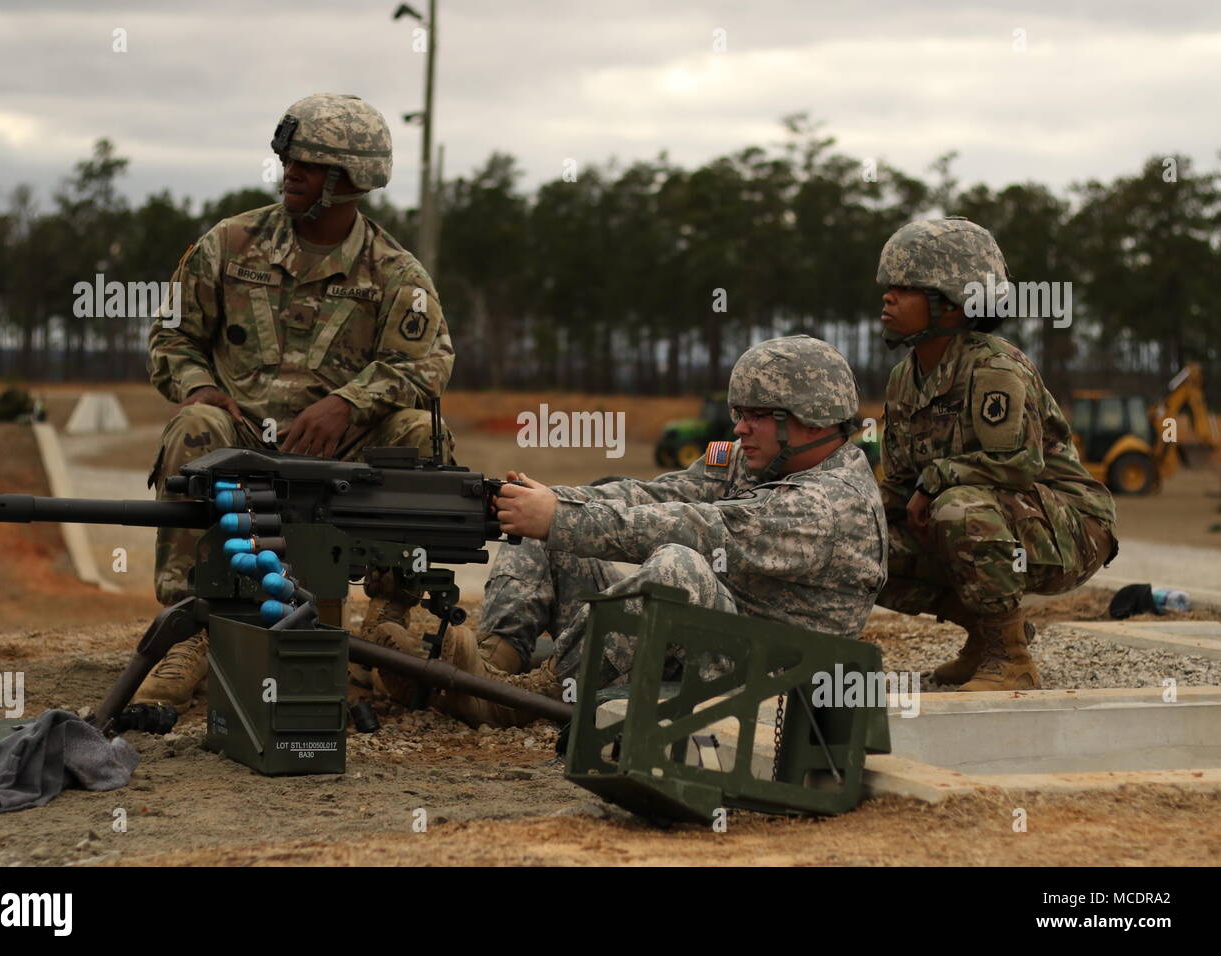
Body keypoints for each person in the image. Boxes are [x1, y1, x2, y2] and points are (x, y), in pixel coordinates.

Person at [368, 335, 889, 726]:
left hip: (767, 682)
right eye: (738, 413)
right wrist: (554, 504)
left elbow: (698, 528)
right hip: (709, 641)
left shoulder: (830, 504)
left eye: (756, 415)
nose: (738, 428)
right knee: (548, 531)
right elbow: (660, 496)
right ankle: (494, 663)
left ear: (814, 422)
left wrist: (562, 516)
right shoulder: (753, 461)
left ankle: (523, 700)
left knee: (677, 568)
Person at [136, 93, 455, 710]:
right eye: (289, 158)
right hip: (245, 437)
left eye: (309, 165)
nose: (290, 171)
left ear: (350, 180)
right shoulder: (229, 244)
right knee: (194, 425)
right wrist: (201, 387)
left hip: (343, 446)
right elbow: (172, 334)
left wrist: (350, 402)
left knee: (423, 434)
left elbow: (429, 363)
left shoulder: (396, 273)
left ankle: (388, 621)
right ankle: (189, 625)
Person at [874, 217, 1117, 691]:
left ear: (952, 305)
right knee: (864, 538)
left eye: (906, 287)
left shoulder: (993, 367)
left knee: (959, 509)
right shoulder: (905, 378)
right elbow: (901, 482)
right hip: (994, 515)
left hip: (1071, 527)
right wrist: (856, 518)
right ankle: (986, 639)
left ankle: (1012, 661)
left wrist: (936, 479)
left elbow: (1018, 464)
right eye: (889, 286)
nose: (888, 297)